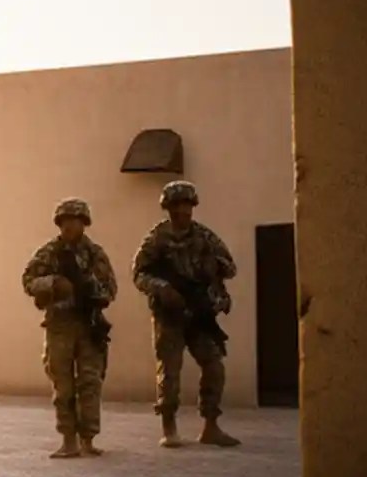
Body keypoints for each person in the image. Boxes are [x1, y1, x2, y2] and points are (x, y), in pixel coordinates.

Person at [131, 180, 241, 448]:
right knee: (169, 370)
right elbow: (139, 274)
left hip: (199, 313)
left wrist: (213, 268)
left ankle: (210, 426)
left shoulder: (204, 236)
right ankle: (169, 427)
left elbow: (230, 267)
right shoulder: (156, 239)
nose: (182, 211)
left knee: (214, 364)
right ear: (168, 208)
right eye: (177, 206)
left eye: (187, 205)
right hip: (170, 313)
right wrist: (162, 288)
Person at [21, 197, 118, 458]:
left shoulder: (95, 254)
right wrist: (54, 283)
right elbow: (29, 280)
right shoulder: (50, 253)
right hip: (60, 324)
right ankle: (68, 438)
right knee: (62, 383)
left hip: (89, 324)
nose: (70, 226)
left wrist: (91, 291)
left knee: (90, 382)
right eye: (65, 221)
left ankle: (88, 437)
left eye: (75, 221)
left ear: (84, 223)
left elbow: (111, 288)